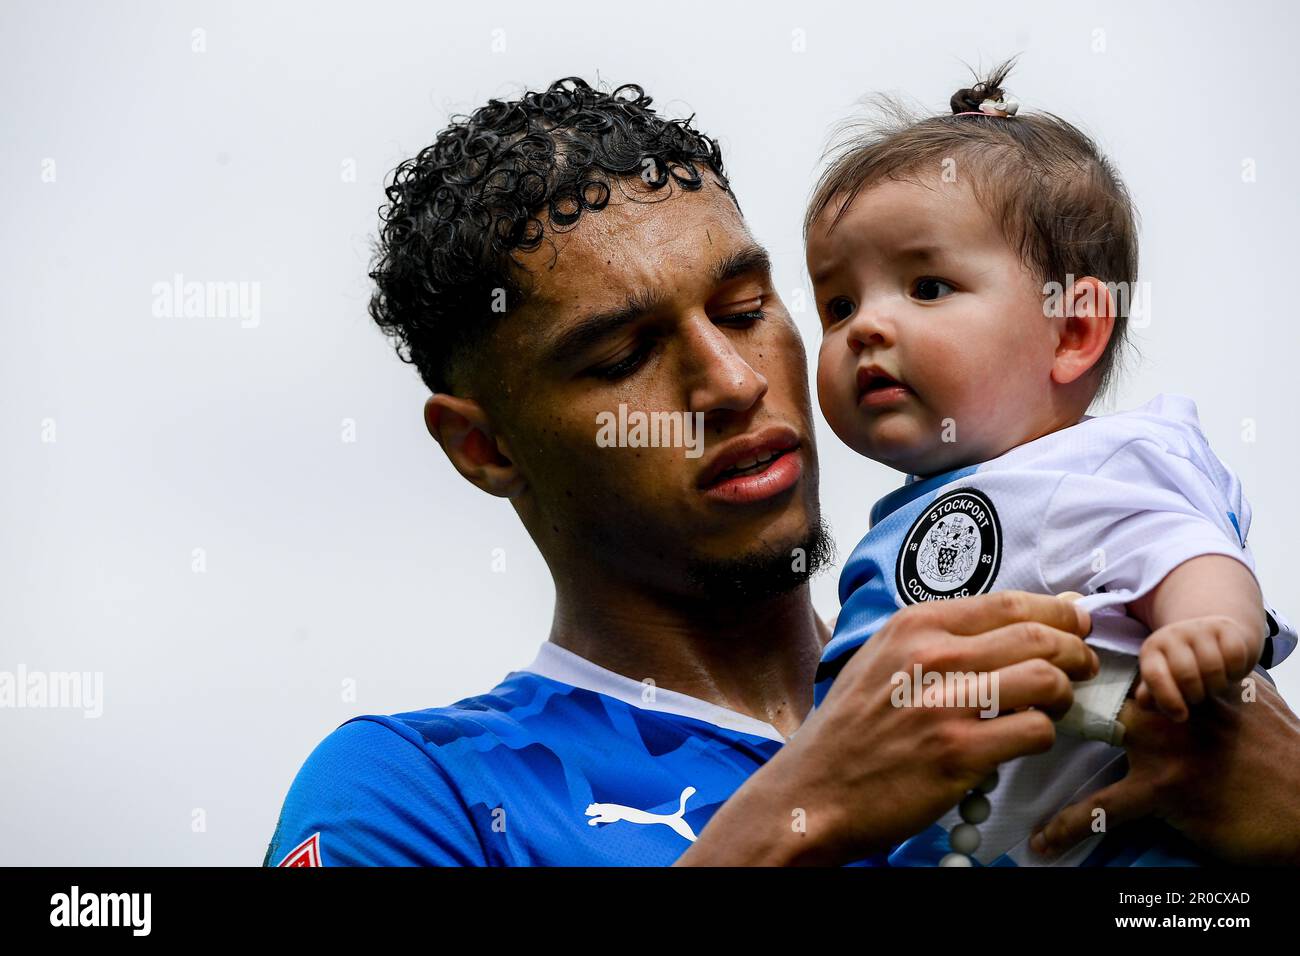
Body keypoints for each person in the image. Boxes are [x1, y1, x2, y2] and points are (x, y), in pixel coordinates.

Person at [262, 77, 1300, 867]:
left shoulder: (1122, 681)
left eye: (746, 309)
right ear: (483, 445)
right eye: (622, 357)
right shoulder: (409, 790)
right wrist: (787, 827)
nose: (729, 380)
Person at [803, 61, 1296, 865]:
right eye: (838, 304)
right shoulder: (916, 512)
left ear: (1072, 331)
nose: (866, 327)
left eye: (926, 286)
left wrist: (1209, 630)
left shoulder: (1095, 465)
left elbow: (1187, 544)